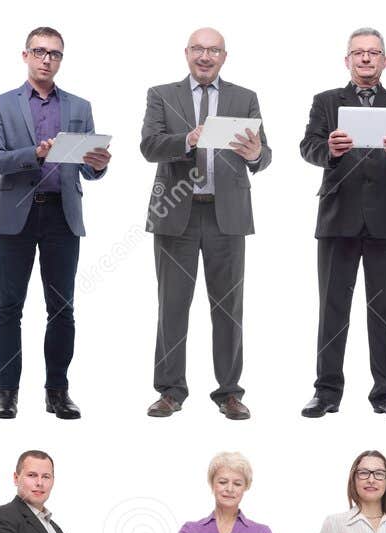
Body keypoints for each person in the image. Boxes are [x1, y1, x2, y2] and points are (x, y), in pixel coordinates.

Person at [300, 28, 386, 419]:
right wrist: (329, 150)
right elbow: (307, 145)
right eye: (358, 53)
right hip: (338, 217)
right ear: (347, 60)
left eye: (374, 53)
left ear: (384, 60)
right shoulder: (325, 102)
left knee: (385, 310)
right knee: (332, 308)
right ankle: (326, 393)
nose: (366, 59)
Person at [140, 28, 270, 420]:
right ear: (186, 53)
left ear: (224, 57)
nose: (205, 56)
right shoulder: (162, 94)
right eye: (198, 48)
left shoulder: (244, 98)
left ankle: (229, 392)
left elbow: (264, 156)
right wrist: (186, 139)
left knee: (228, 309)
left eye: (213, 50)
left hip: (226, 215)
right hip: (176, 212)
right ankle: (170, 390)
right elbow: (148, 146)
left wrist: (257, 153)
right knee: (172, 306)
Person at [0, 27, 111, 420]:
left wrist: (98, 165)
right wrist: (33, 155)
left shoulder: (79, 106)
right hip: (15, 216)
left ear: (61, 59)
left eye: (54, 53)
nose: (46, 59)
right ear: (25, 55)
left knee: (62, 309)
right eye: (39, 51)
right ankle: (6, 392)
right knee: (9, 307)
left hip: (61, 215)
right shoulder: (2, 104)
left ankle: (57, 390)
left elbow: (89, 168)